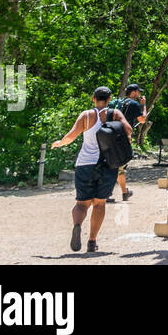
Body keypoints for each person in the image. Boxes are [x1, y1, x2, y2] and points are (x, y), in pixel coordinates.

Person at [50, 86, 133, 253]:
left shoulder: (86, 115)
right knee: (99, 204)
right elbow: (129, 130)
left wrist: (59, 143)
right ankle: (92, 241)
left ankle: (77, 225)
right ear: (109, 99)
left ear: (93, 98)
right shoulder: (115, 114)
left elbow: (71, 136)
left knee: (81, 204)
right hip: (107, 165)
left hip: (84, 164)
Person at [109, 84, 146, 203]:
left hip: (109, 135)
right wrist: (143, 105)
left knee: (118, 166)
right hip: (123, 138)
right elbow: (142, 119)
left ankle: (125, 192)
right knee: (118, 166)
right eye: (138, 92)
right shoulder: (134, 104)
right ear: (133, 92)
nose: (139, 94)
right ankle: (106, 193)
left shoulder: (117, 102)